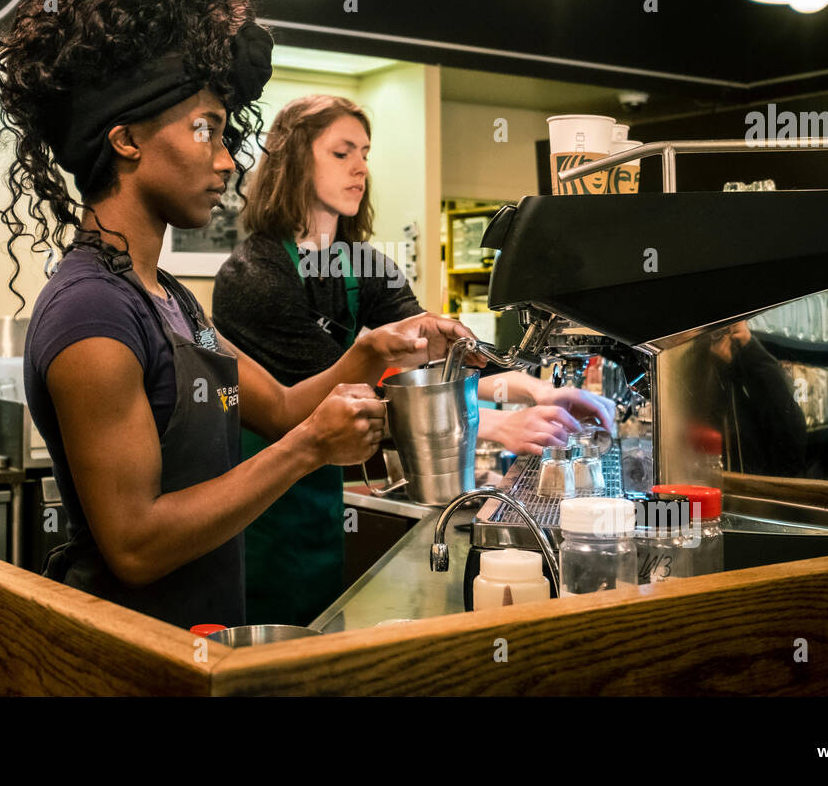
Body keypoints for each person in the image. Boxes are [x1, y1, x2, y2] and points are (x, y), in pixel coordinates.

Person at [0, 0, 478, 629]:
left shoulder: (166, 297)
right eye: (205, 129)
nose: (228, 160)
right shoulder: (93, 312)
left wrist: (372, 351)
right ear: (125, 138)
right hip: (134, 656)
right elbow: (137, 545)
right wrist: (307, 452)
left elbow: (287, 407)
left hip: (201, 646)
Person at [212, 94, 615, 625]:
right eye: (341, 153)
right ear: (291, 161)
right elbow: (330, 403)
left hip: (321, 499)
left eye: (365, 153)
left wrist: (532, 389)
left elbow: (433, 358)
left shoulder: (364, 265)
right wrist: (492, 426)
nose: (360, 168)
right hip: (259, 505)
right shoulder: (255, 276)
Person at [698, 320, 807, 476]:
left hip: (756, 488)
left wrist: (750, 349)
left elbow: (793, 438)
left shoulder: (752, 366)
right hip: (710, 487)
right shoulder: (699, 369)